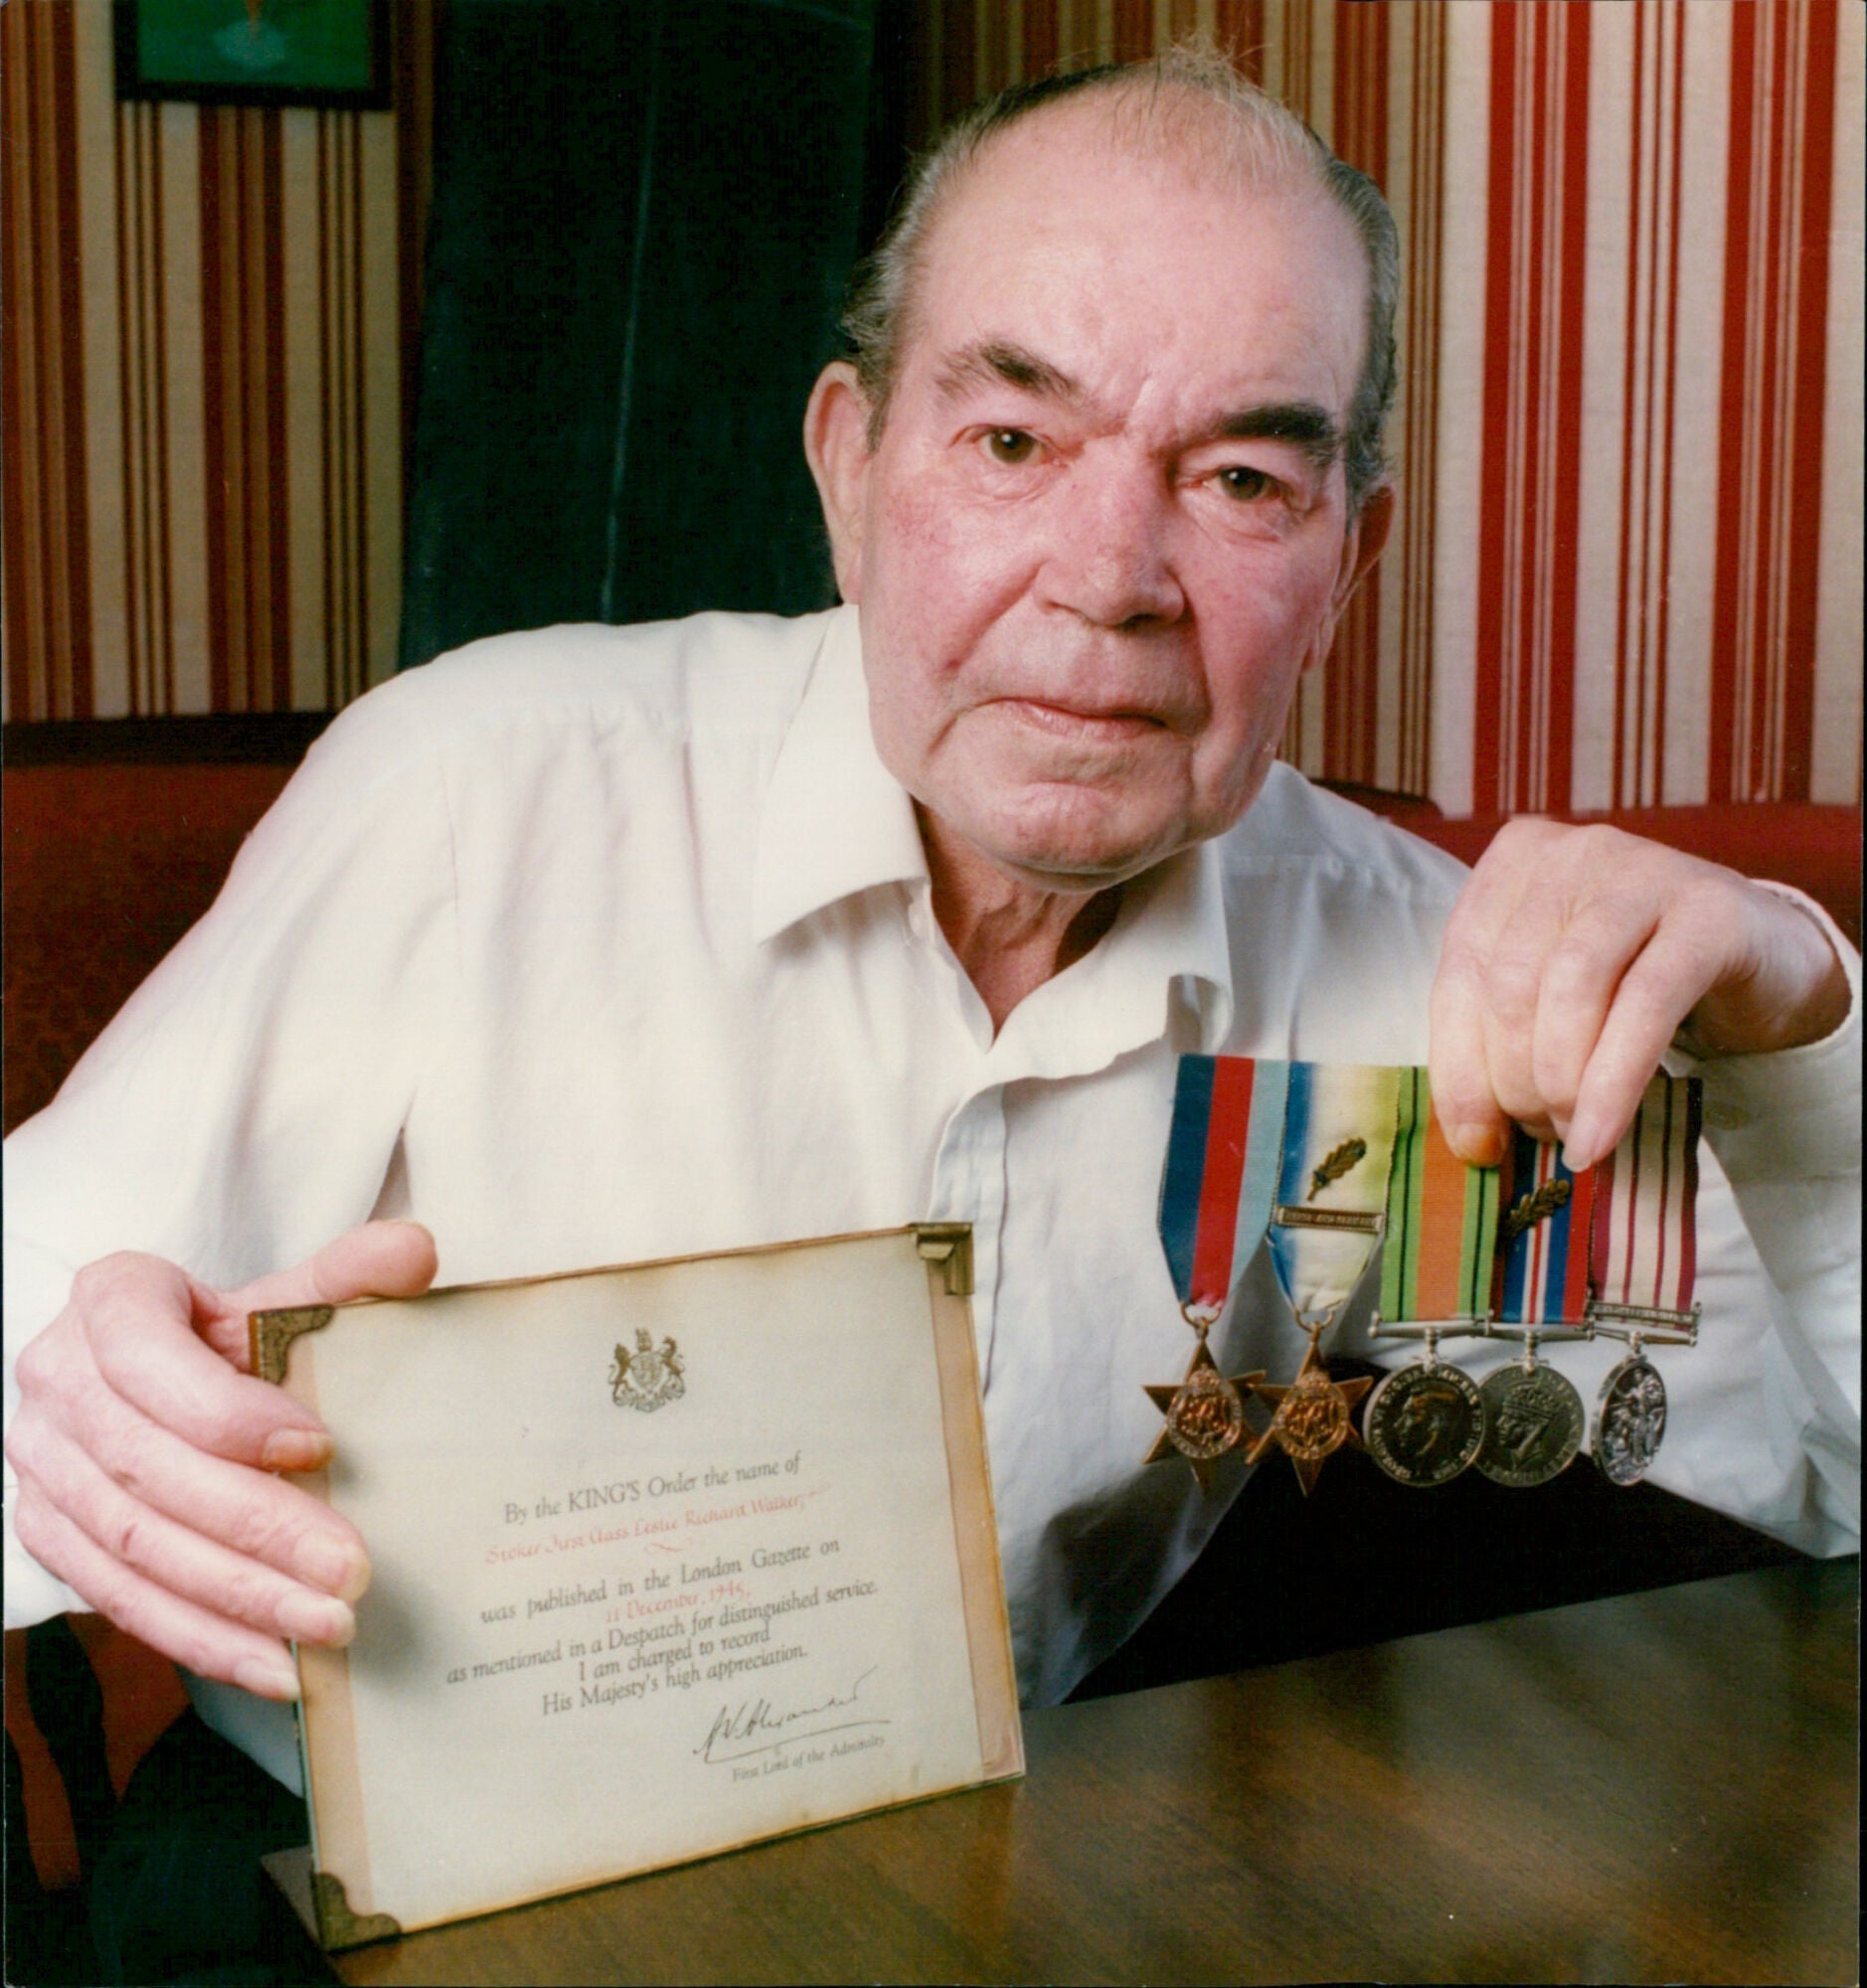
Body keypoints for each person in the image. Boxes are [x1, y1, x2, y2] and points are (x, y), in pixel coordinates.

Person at [4, 40, 1858, 1914]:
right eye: (1010, 442)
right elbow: (33, 1316)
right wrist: (72, 1407)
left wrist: (1809, 1023)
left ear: (1344, 557)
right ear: (847, 465)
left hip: (972, 1894)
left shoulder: (1392, 989)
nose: (1108, 578)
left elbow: (1819, 1474)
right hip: (325, 1887)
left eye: (1236, 477)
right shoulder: (480, 797)